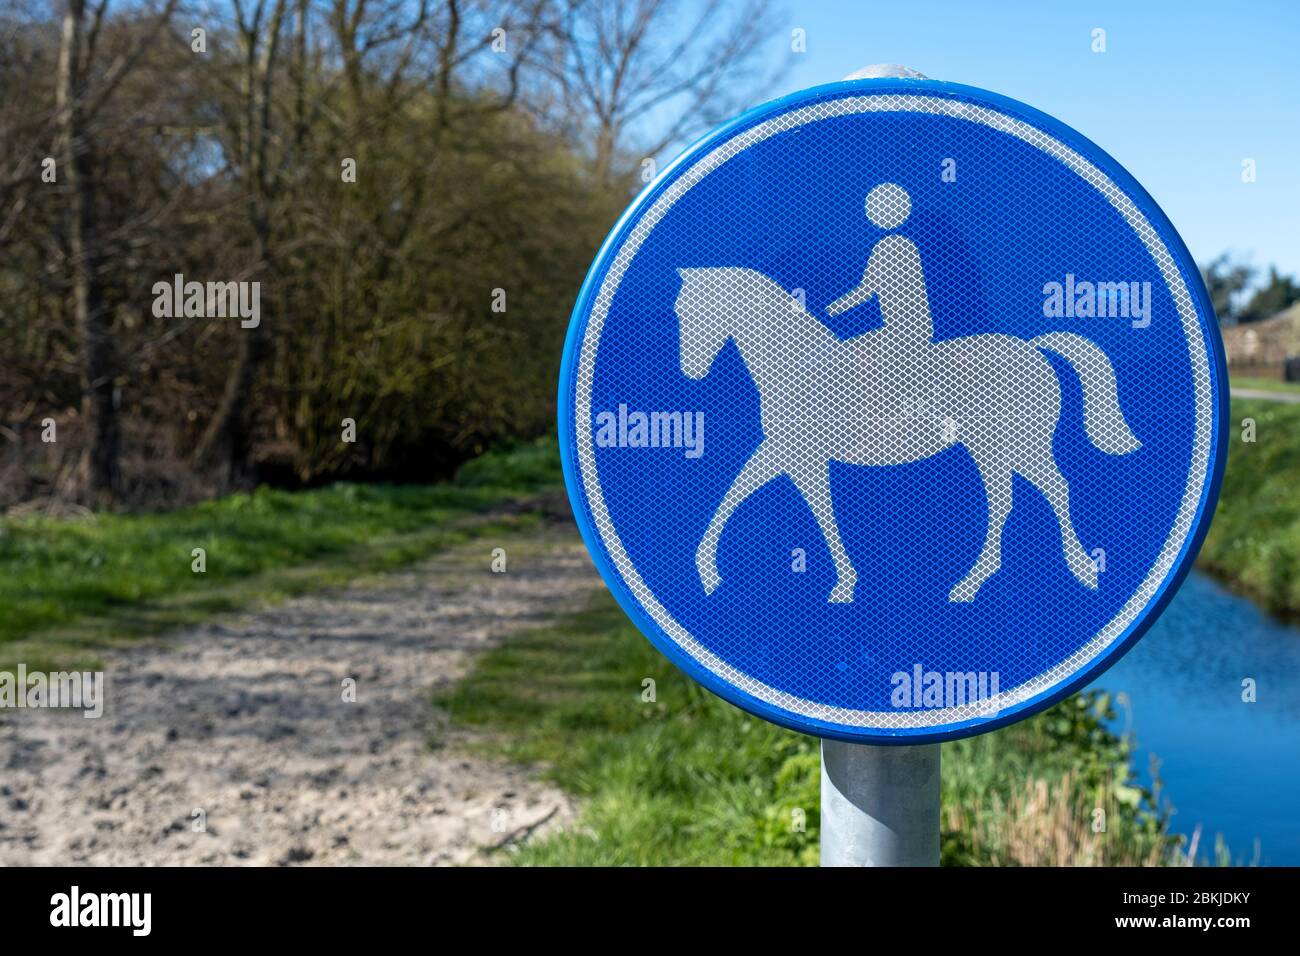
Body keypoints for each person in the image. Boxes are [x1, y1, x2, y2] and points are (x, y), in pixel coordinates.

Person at [826, 183, 934, 345]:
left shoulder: (885, 248)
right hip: (917, 329)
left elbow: (866, 290)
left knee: (850, 349)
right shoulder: (906, 245)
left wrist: (833, 309)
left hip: (903, 333)